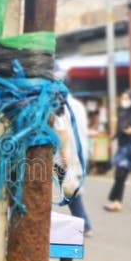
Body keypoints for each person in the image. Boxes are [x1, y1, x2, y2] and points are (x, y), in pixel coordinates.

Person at [55, 93, 93, 236]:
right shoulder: (78, 105)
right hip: (80, 151)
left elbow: (61, 132)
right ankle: (84, 225)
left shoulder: (59, 105)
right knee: (72, 189)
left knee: (71, 190)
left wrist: (64, 154)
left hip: (67, 154)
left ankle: (85, 225)